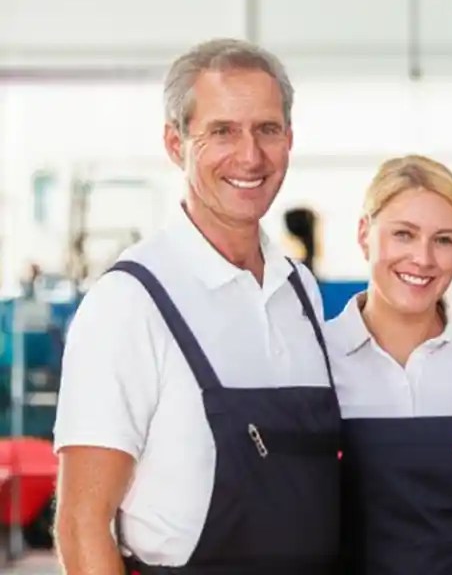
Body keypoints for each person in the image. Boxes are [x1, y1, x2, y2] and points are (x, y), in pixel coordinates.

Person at [52, 39, 342, 574]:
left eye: (267, 130)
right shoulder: (131, 301)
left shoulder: (299, 290)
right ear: (175, 143)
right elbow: (81, 525)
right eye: (222, 131)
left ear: (289, 140)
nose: (250, 156)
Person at [325, 154, 452, 574]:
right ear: (364, 234)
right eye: (404, 234)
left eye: (443, 240)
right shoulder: (311, 360)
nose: (423, 258)